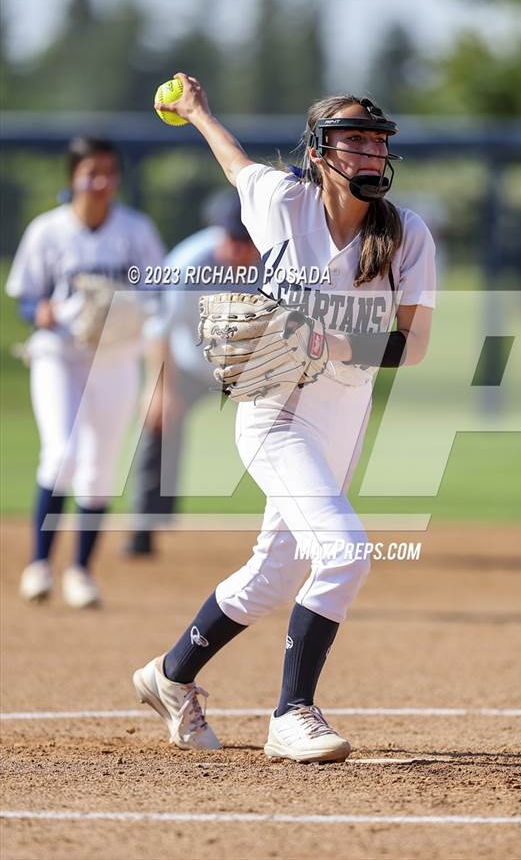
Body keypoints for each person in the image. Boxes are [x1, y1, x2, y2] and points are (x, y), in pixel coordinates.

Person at [133, 74, 435, 762]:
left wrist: (326, 339)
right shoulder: (281, 201)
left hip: (340, 423)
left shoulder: (405, 235)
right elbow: (236, 162)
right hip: (271, 416)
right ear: (318, 150)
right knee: (346, 551)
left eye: (375, 140)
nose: (366, 152)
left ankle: (170, 675)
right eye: (351, 139)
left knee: (271, 573)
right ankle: (292, 713)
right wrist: (199, 111)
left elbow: (413, 346)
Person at [6, 136, 165, 608]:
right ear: (72, 176)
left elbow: (159, 295)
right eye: (91, 172)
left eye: (109, 172)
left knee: (99, 470)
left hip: (116, 354)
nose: (101, 181)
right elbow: (26, 298)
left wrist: (138, 316)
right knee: (62, 455)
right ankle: (38, 565)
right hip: (59, 353)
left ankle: (80, 573)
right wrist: (41, 312)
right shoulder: (48, 230)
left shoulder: (135, 229)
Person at [124, 194, 260, 556]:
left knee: (294, 432)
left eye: (249, 241)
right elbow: (159, 331)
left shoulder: (280, 264)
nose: (240, 249)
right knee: (159, 423)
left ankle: (300, 529)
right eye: (233, 238)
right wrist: (161, 391)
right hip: (192, 364)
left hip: (254, 368)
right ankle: (144, 528)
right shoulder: (190, 262)